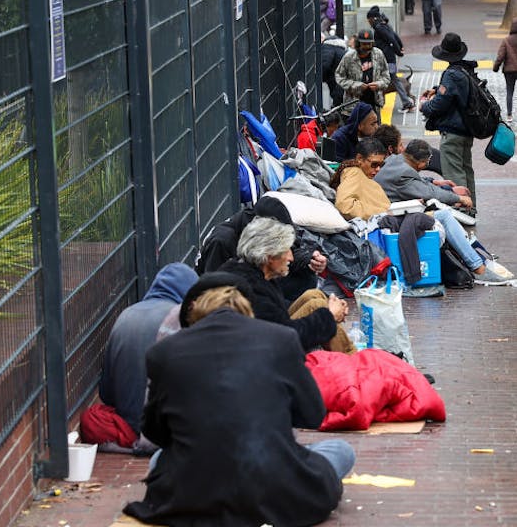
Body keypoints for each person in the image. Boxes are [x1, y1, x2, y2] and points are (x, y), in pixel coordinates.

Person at [122, 272, 354, 527]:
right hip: (273, 484)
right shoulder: (281, 339)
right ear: (246, 309)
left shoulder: (164, 352)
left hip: (194, 493)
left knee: (159, 460)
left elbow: (155, 432)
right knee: (340, 451)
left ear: (192, 314)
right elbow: (313, 414)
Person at [372, 139, 512, 283]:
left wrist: (434, 182)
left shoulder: (396, 160)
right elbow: (429, 193)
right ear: (421, 163)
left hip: (389, 211)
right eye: (427, 162)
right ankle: (477, 266)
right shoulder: (405, 172)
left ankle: (474, 258)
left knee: (441, 213)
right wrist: (458, 198)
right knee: (444, 216)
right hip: (391, 217)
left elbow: (419, 182)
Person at [219, 217, 350, 352]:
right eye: (286, 251)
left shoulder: (251, 271)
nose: (291, 258)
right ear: (269, 256)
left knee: (313, 295)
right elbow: (283, 339)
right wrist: (329, 316)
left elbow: (277, 314)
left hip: (264, 339)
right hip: (257, 352)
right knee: (318, 307)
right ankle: (353, 363)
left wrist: (333, 308)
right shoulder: (252, 290)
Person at [98, 263, 198, 439]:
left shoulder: (126, 315)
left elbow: (106, 392)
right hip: (165, 427)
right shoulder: (180, 318)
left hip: (127, 424)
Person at [196, 195, 329, 303]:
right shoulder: (223, 241)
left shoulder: (259, 228)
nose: (289, 256)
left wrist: (310, 258)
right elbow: (215, 293)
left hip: (255, 281)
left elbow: (290, 252)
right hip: (233, 298)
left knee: (305, 277)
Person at [420, 33, 478, 215]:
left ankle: (462, 209)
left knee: (454, 172)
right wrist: (437, 90)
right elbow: (456, 94)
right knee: (466, 170)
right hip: (466, 130)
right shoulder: (465, 70)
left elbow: (441, 103)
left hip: (452, 131)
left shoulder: (451, 74)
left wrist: (424, 106)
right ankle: (471, 206)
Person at [366, 6, 416, 112]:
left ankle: (403, 103)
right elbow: (395, 36)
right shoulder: (383, 25)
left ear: (372, 18)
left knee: (391, 80)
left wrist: (399, 51)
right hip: (389, 59)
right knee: (393, 80)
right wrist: (400, 47)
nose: (368, 22)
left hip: (386, 60)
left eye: (369, 20)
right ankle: (404, 102)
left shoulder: (379, 27)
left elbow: (391, 38)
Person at [331, 137, 392, 220]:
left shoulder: (361, 174)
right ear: (360, 159)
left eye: (381, 165)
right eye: (374, 164)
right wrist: (384, 213)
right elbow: (345, 205)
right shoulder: (354, 172)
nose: (378, 169)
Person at [335, 29, 390, 109]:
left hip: (374, 104)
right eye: (364, 44)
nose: (367, 47)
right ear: (358, 44)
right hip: (353, 105)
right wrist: (355, 85)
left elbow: (386, 77)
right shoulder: (349, 57)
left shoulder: (378, 54)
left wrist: (379, 84)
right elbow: (339, 77)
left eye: (369, 44)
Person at [320, 33, 348, 106]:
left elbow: (325, 64)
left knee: (337, 102)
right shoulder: (342, 50)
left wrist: (319, 78)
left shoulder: (327, 47)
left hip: (335, 81)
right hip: (344, 81)